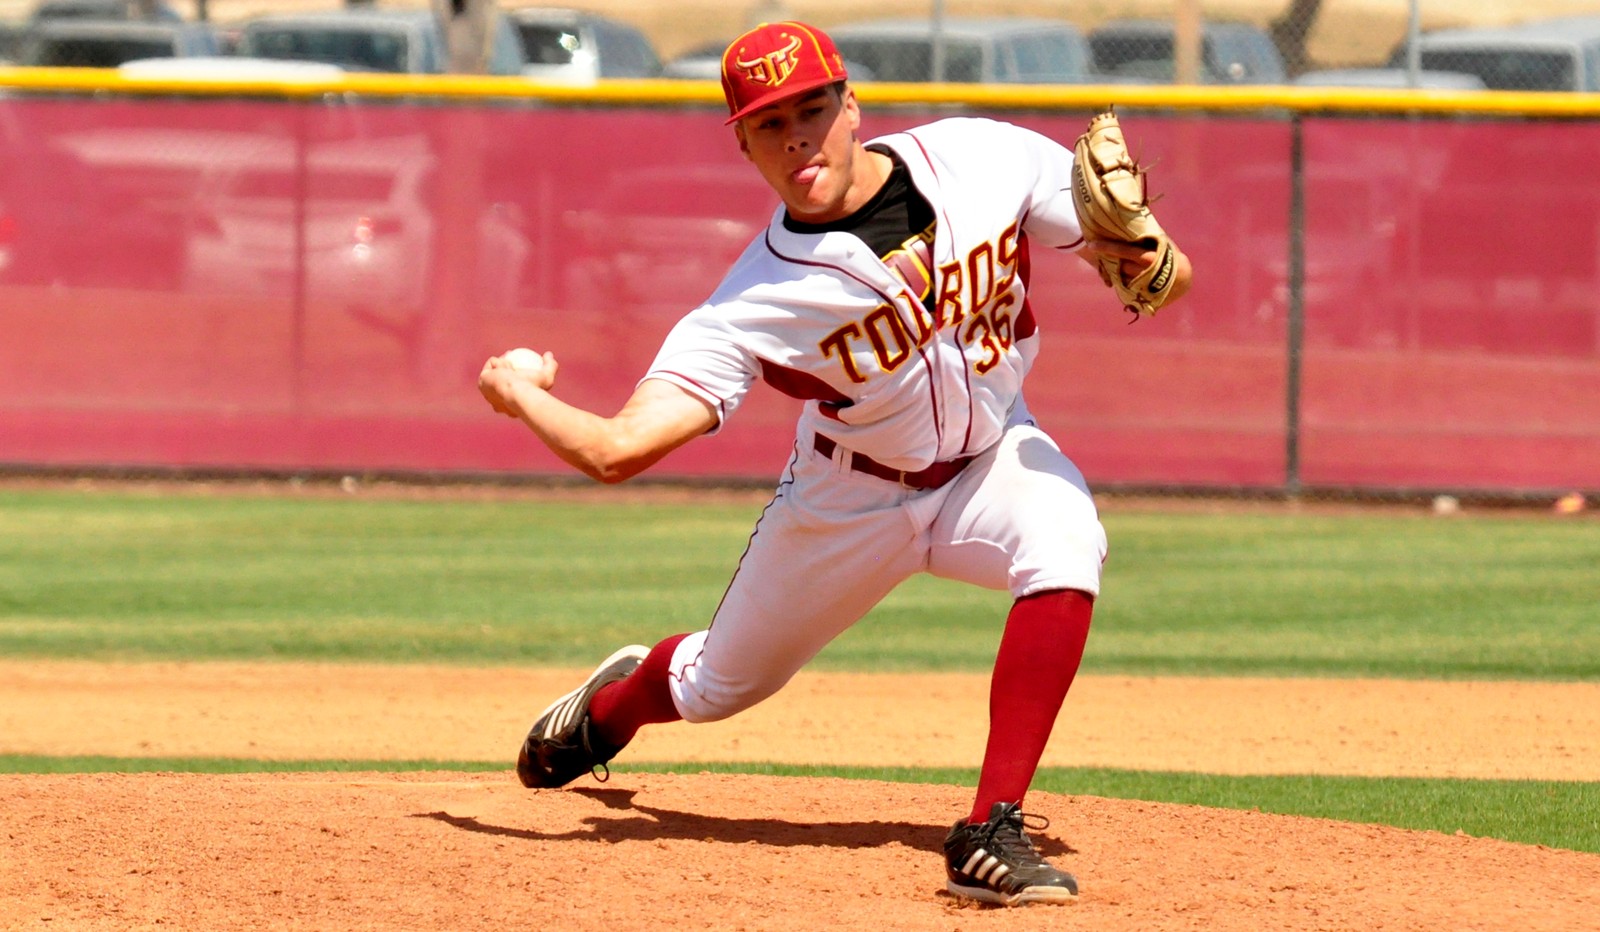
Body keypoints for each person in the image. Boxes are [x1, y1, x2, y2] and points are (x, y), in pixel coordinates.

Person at [477, 20, 1192, 908]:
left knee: (1067, 543)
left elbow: (1104, 237)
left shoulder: (985, 159)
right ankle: (612, 709)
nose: (798, 138)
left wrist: (1141, 253)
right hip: (846, 497)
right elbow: (618, 451)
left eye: (813, 109)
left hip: (990, 455)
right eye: (771, 124)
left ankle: (989, 830)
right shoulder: (752, 302)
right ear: (743, 142)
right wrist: (522, 394)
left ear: (852, 104)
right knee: (715, 688)